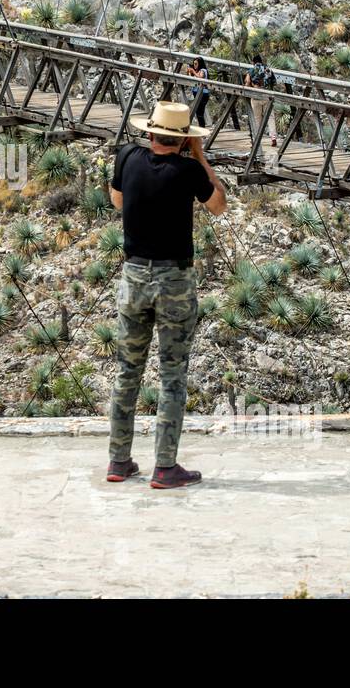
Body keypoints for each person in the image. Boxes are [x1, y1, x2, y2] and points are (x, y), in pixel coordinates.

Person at [107, 101, 228, 489]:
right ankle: (164, 466)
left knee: (128, 369)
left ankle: (119, 461)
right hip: (174, 280)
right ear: (183, 140)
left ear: (149, 132)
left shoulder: (127, 156)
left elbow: (117, 201)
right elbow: (219, 205)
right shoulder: (189, 170)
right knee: (172, 374)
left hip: (134, 275)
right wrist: (200, 157)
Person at [244, 54, 277, 147]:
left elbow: (247, 82)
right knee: (270, 117)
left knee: (257, 118)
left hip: (256, 95)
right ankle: (273, 137)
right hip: (267, 95)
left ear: (253, 62)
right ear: (261, 61)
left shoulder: (251, 70)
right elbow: (274, 82)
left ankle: (257, 139)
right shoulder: (268, 70)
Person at [187, 56, 210, 128]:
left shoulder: (203, 70)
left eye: (196, 64)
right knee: (198, 112)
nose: (194, 65)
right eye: (194, 64)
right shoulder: (197, 71)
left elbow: (200, 78)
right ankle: (201, 127)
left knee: (200, 112)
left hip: (203, 93)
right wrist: (190, 72)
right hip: (197, 92)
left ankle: (202, 127)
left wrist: (193, 71)